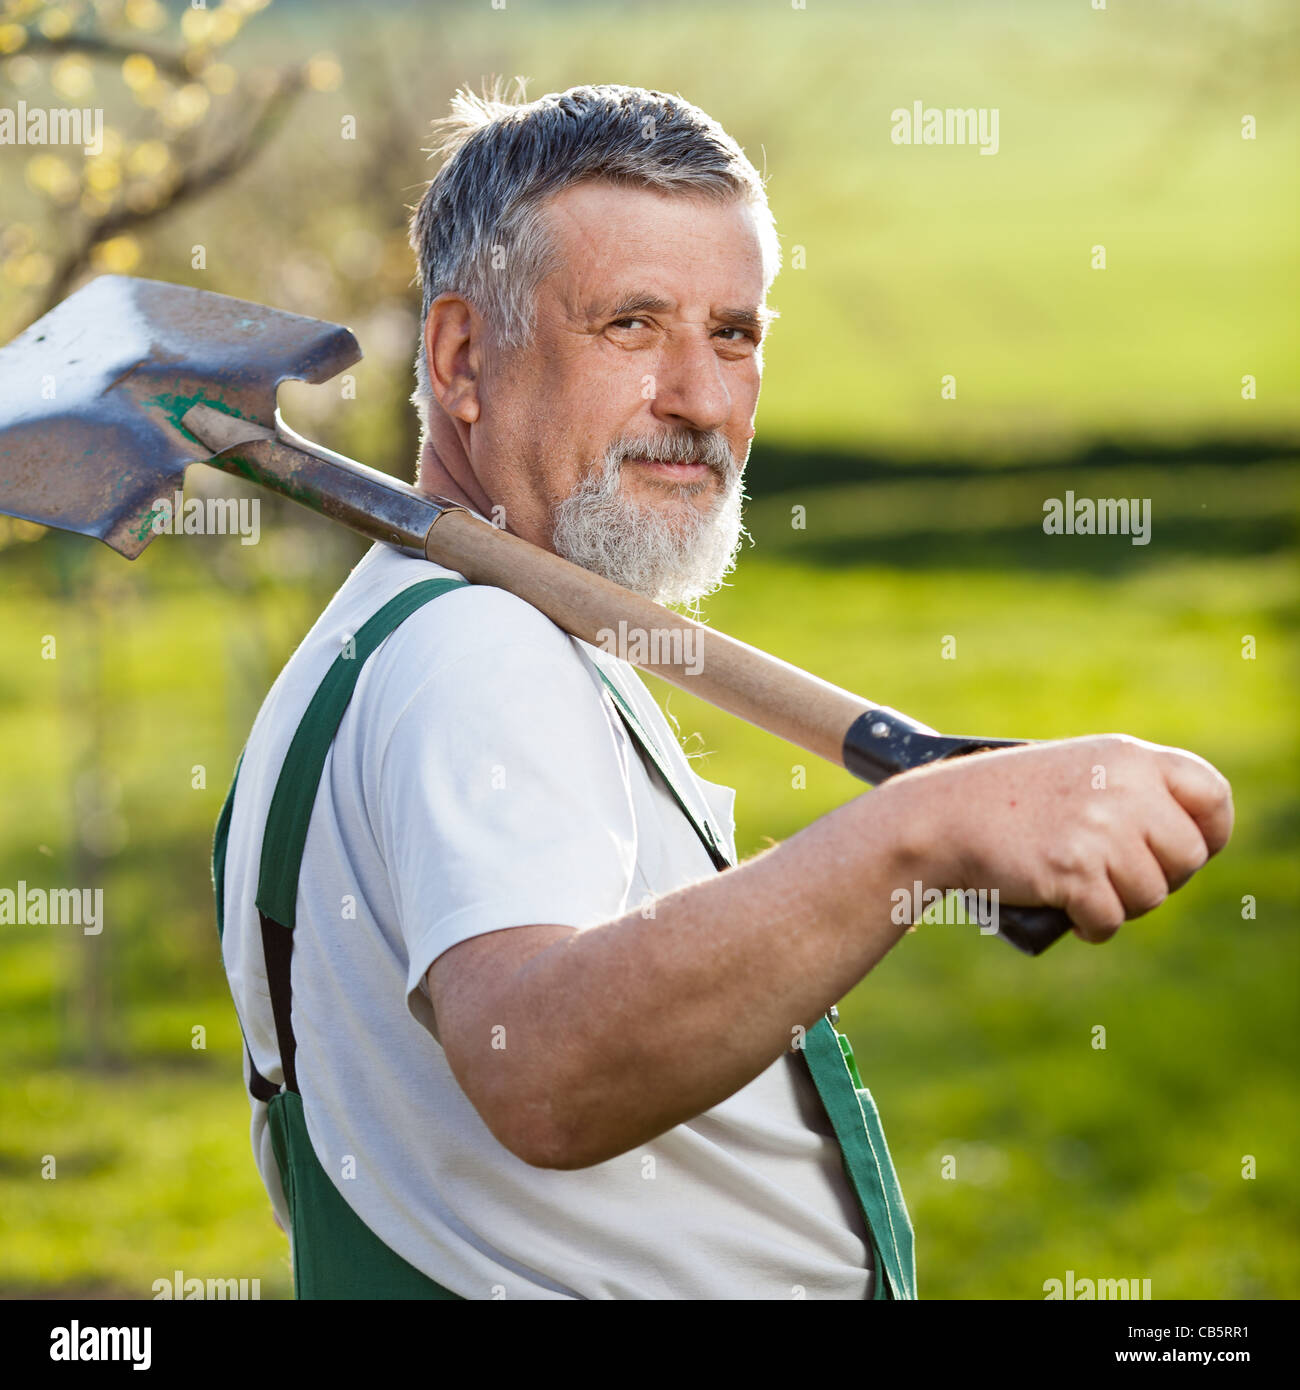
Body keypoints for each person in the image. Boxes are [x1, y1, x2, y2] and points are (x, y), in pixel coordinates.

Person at [215, 82, 1234, 1300]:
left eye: (735, 333)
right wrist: (916, 835)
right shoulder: (473, 654)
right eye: (632, 326)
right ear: (463, 357)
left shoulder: (387, 633)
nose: (701, 400)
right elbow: (537, 1063)